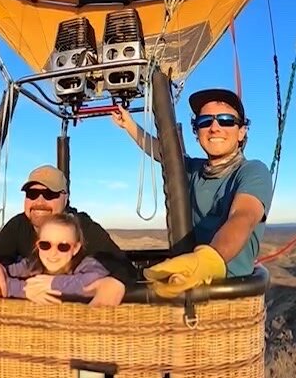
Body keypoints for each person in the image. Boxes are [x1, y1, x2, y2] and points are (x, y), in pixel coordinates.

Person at [111, 87, 272, 294]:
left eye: (226, 120)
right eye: (205, 121)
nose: (214, 127)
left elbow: (244, 216)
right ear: (197, 133)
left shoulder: (252, 171)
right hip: (188, 285)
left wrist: (207, 261)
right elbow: (162, 152)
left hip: (228, 293)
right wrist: (130, 125)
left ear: (242, 132)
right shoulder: (193, 170)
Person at [0, 165, 137, 297]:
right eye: (32, 193)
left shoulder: (81, 227)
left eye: (50, 194)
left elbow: (123, 267)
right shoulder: (19, 225)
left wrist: (116, 284)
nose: (39, 201)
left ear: (65, 198)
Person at [0, 211, 126, 307]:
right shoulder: (31, 265)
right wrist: (26, 290)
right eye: (45, 245)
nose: (53, 253)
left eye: (63, 246)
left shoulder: (86, 265)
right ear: (37, 245)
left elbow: (93, 281)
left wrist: (52, 284)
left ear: (76, 248)